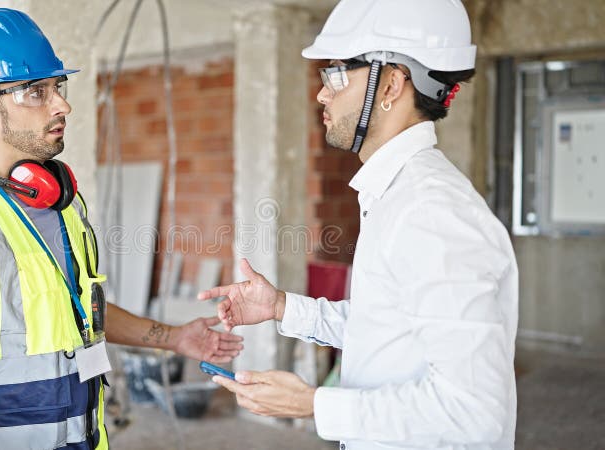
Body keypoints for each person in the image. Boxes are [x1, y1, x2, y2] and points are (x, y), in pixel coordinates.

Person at [0, 8, 243, 450]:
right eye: (36, 91)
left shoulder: (65, 207)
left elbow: (81, 312)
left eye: (58, 87)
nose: (62, 105)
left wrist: (174, 338)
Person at [198, 0, 518, 449]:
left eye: (336, 75)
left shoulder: (430, 211)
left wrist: (314, 404)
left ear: (391, 84)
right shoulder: (397, 195)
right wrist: (281, 307)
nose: (322, 94)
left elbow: (473, 412)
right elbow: (386, 328)